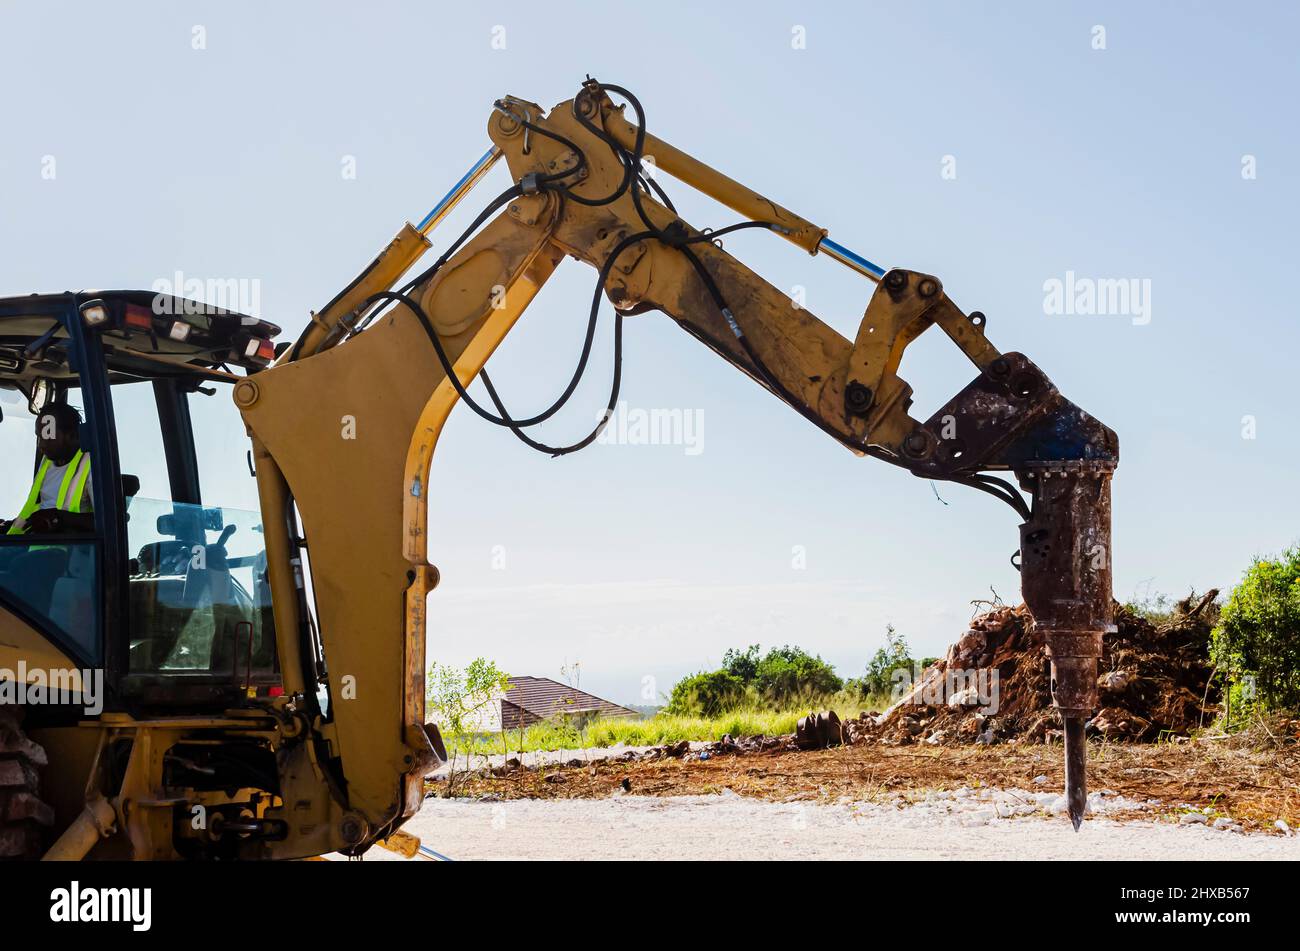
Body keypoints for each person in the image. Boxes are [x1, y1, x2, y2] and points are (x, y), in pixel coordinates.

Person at [1, 403, 94, 536]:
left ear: (72, 435)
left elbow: (108, 523)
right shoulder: (47, 462)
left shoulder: (91, 466)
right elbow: (42, 509)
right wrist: (8, 525)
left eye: (48, 436)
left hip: (67, 550)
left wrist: (59, 518)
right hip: (36, 544)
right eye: (39, 436)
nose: (41, 444)